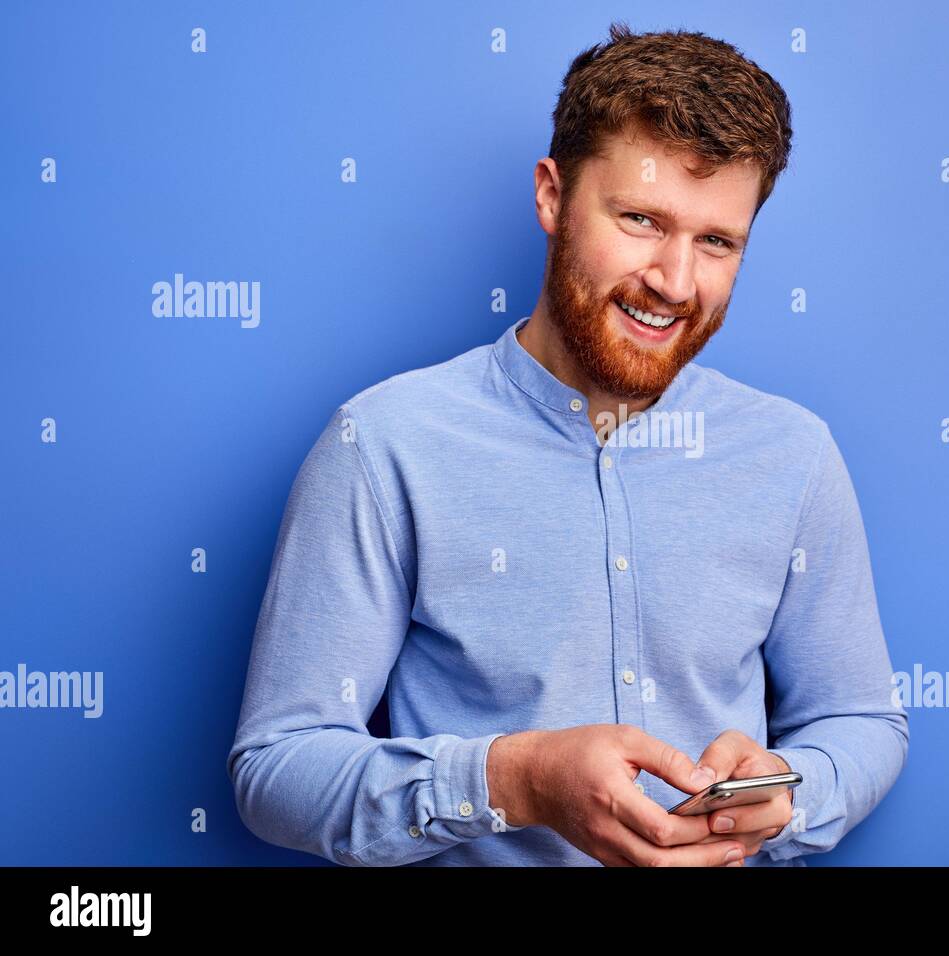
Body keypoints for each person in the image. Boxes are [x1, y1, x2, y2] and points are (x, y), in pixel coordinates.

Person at [226, 21, 908, 867]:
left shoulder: (793, 455)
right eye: (640, 219)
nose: (674, 281)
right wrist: (515, 781)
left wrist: (788, 789)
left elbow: (862, 720)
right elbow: (277, 765)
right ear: (552, 196)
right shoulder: (386, 444)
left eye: (717, 241)